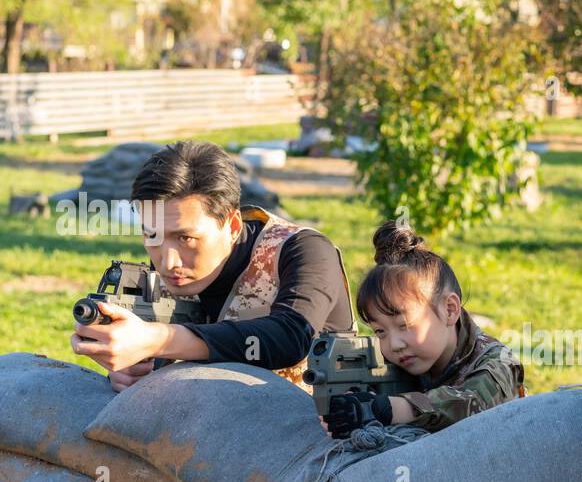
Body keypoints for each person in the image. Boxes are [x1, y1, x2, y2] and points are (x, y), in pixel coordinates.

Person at [69, 140, 353, 392]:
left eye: (186, 238)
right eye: (152, 235)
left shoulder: (304, 250)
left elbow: (290, 338)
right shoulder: (158, 281)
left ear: (231, 225)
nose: (168, 262)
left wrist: (161, 339)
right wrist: (127, 371)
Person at [321, 220, 525, 437]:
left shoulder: (499, 362)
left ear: (449, 310)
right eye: (380, 331)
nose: (394, 344)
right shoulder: (396, 360)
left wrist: (388, 408)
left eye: (404, 325)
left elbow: (471, 404)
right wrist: (354, 401)